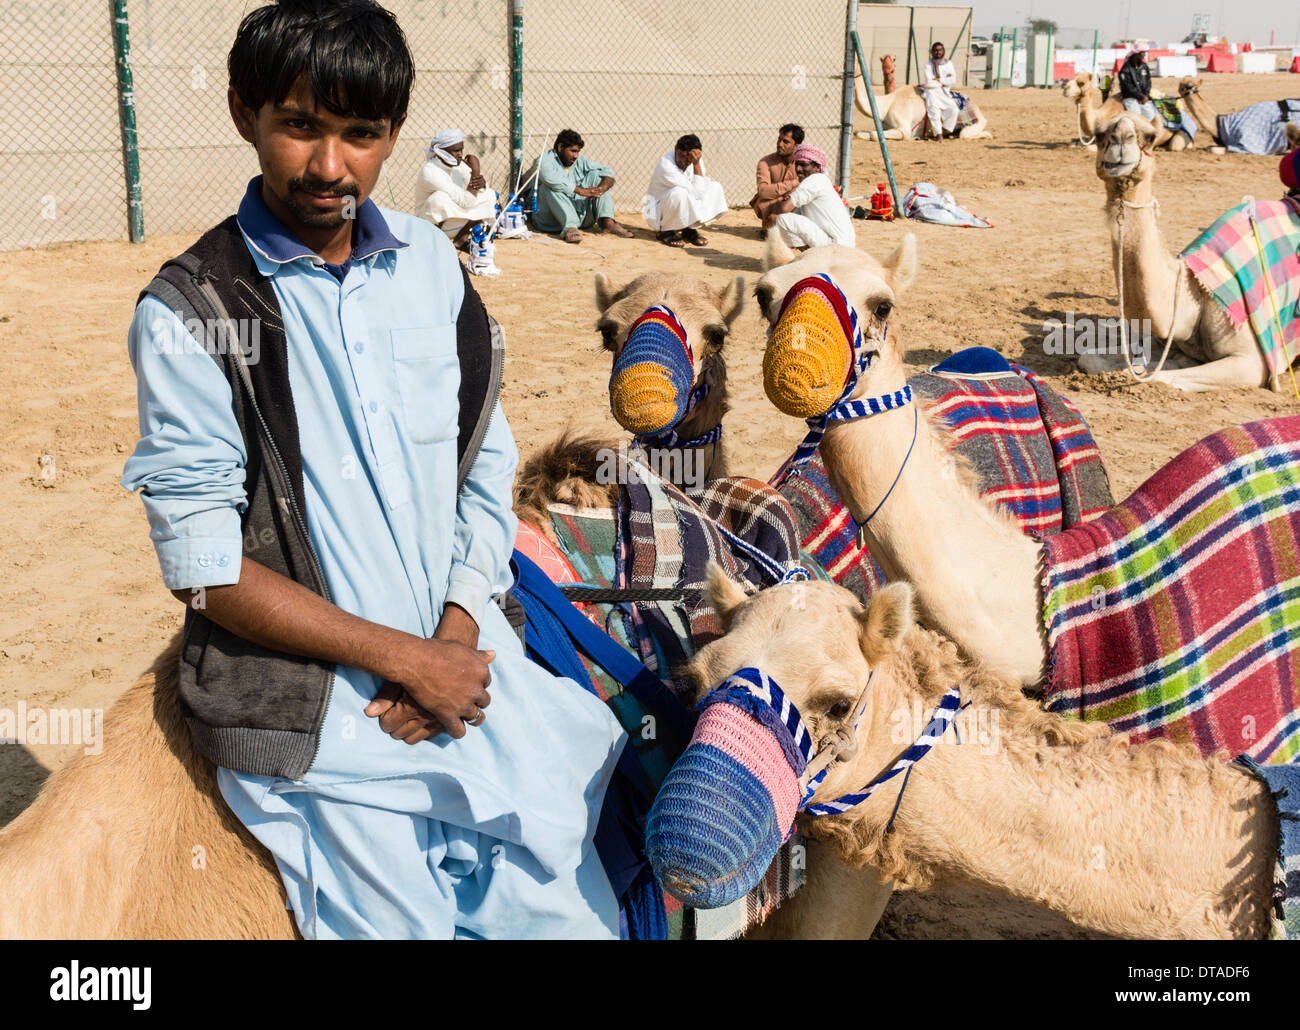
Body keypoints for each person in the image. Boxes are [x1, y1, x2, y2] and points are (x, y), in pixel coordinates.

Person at [121, 0, 626, 940]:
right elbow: (206, 564)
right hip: (325, 717)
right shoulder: (194, 311)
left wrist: (458, 629)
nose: (328, 166)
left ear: (394, 133)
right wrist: (402, 660)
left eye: (360, 134)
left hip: (467, 667)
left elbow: (483, 469)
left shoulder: (434, 266)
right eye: (299, 126)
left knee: (568, 895)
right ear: (244, 114)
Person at [533, 129, 633, 243]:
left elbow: (607, 171)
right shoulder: (545, 160)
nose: (576, 156)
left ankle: (608, 224)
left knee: (598, 175)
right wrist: (580, 191)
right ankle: (570, 229)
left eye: (578, 152)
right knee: (550, 186)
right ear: (560, 147)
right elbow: (550, 178)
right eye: (573, 151)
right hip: (552, 222)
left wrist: (601, 188)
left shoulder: (580, 160)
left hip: (581, 217)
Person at [414, 129, 497, 250]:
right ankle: (434, 245)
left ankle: (460, 240)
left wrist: (480, 181)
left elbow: (478, 190)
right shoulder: (430, 171)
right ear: (441, 151)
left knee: (489, 195)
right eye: (456, 151)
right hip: (430, 224)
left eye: (461, 150)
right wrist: (476, 171)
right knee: (438, 199)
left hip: (452, 220)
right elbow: (466, 201)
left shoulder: (458, 164)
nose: (460, 154)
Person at [641, 134, 728, 248]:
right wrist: (696, 164)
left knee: (715, 187)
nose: (684, 161)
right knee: (679, 192)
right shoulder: (666, 165)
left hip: (684, 200)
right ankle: (666, 232)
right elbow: (696, 193)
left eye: (689, 159)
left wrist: (696, 163)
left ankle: (689, 229)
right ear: (676, 149)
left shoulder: (695, 160)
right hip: (657, 212)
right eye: (681, 156)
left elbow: (700, 188)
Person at [763, 142, 855, 250]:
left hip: (837, 245)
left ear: (817, 167)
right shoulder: (819, 181)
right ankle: (812, 258)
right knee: (790, 220)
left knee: (783, 220)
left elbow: (784, 208)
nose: (798, 169)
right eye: (796, 164)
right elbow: (796, 214)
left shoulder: (815, 179)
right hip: (840, 245)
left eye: (803, 164)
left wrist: (769, 208)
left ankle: (810, 258)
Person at [749, 123, 802, 234]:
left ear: (796, 145)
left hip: (795, 203)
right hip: (774, 204)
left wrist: (787, 196)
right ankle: (772, 228)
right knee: (764, 203)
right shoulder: (765, 162)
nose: (779, 144)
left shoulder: (803, 163)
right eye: (779, 140)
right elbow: (763, 191)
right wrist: (793, 183)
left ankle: (773, 228)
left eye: (785, 142)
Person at [921, 41, 959, 141]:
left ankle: (945, 130)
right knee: (933, 109)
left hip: (945, 92)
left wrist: (939, 79)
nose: (938, 52)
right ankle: (938, 134)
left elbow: (953, 80)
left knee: (953, 109)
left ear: (944, 51)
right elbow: (929, 83)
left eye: (940, 50)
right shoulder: (928, 66)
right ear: (932, 52)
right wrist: (944, 79)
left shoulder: (949, 64)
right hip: (931, 91)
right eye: (936, 50)